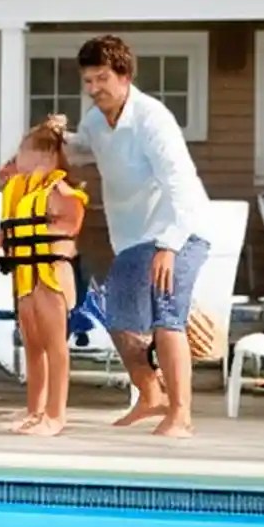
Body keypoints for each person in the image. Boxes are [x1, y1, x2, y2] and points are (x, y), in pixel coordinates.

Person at [64, 34, 212, 439]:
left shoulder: (153, 119)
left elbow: (180, 185)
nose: (94, 90)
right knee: (116, 316)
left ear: (125, 75)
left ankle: (180, 415)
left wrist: (169, 245)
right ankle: (150, 395)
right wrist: (57, 138)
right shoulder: (95, 120)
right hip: (132, 240)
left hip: (181, 229)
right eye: (88, 81)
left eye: (102, 79)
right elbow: (81, 151)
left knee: (167, 315)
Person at [0, 114, 90, 436]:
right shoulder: (20, 191)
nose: (16, 158)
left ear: (46, 157)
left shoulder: (58, 190)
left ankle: (56, 414)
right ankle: (35, 410)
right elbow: (10, 232)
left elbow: (71, 224)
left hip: (51, 274)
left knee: (54, 346)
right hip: (24, 275)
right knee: (32, 345)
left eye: (23, 152)